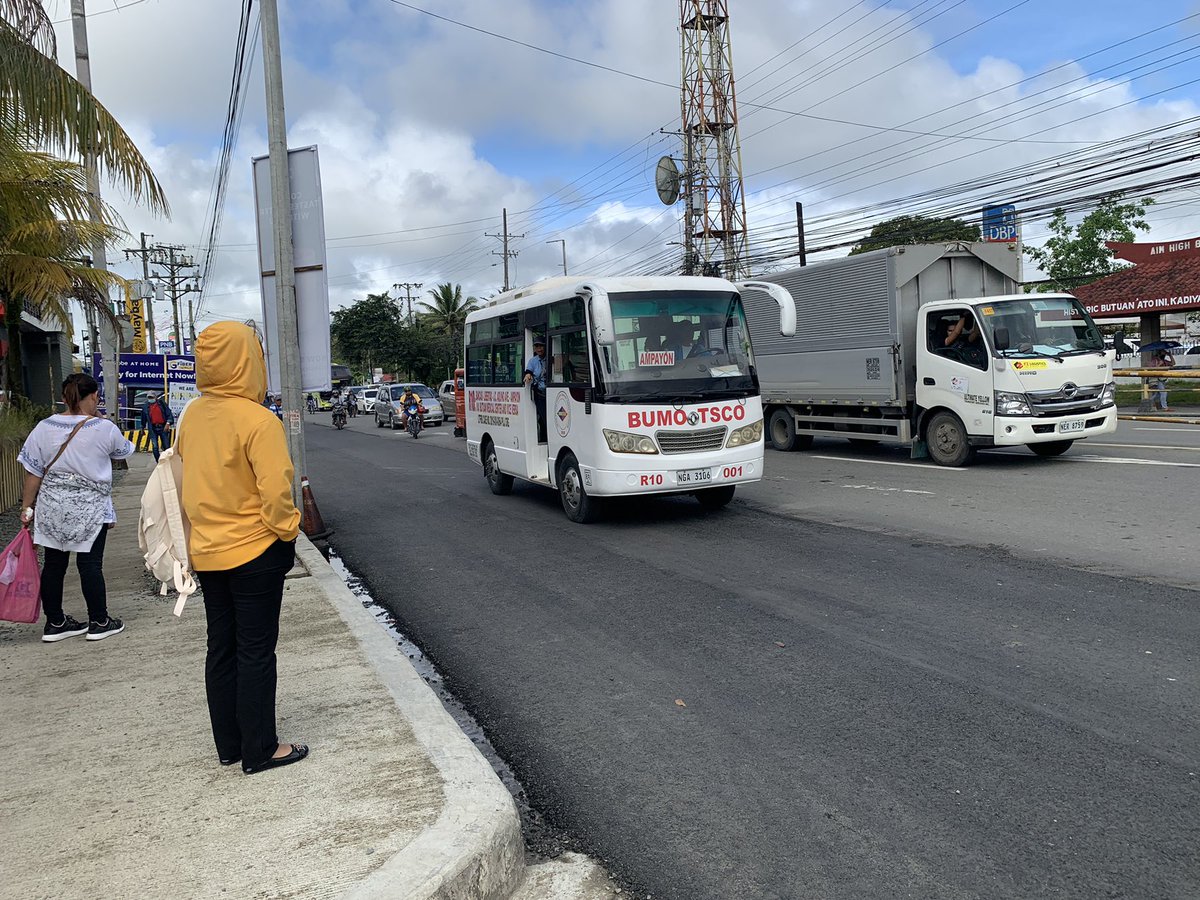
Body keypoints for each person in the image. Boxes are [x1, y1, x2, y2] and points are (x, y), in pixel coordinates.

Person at [177, 321, 307, 775]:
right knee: (256, 650)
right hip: (255, 550)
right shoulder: (258, 419)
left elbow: (183, 481)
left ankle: (230, 746)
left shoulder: (191, 415)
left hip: (208, 551)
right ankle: (261, 749)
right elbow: (277, 492)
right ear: (247, 361)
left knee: (222, 648)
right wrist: (287, 532)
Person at [17, 373, 135, 642]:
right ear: (94, 396)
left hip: (52, 506)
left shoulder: (43, 427)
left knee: (54, 565)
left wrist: (26, 508)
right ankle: (99, 621)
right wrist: (103, 421)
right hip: (90, 508)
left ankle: (55, 623)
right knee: (90, 564)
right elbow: (123, 452)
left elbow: (32, 472)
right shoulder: (103, 428)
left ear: (63, 398)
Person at [523, 338, 548, 442]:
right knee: (544, 418)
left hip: (552, 393)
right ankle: (544, 439)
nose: (539, 349)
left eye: (541, 346)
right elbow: (528, 371)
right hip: (540, 394)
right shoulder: (533, 361)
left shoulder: (551, 357)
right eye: (537, 346)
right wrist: (528, 376)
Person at [140, 392, 175, 462]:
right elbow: (143, 418)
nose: (150, 399)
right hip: (152, 428)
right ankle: (159, 462)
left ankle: (168, 461)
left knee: (166, 446)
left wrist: (168, 423)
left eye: (152, 397)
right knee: (155, 447)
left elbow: (168, 413)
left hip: (163, 427)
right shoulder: (145, 407)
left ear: (155, 397)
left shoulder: (162, 404)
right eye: (149, 398)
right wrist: (142, 428)